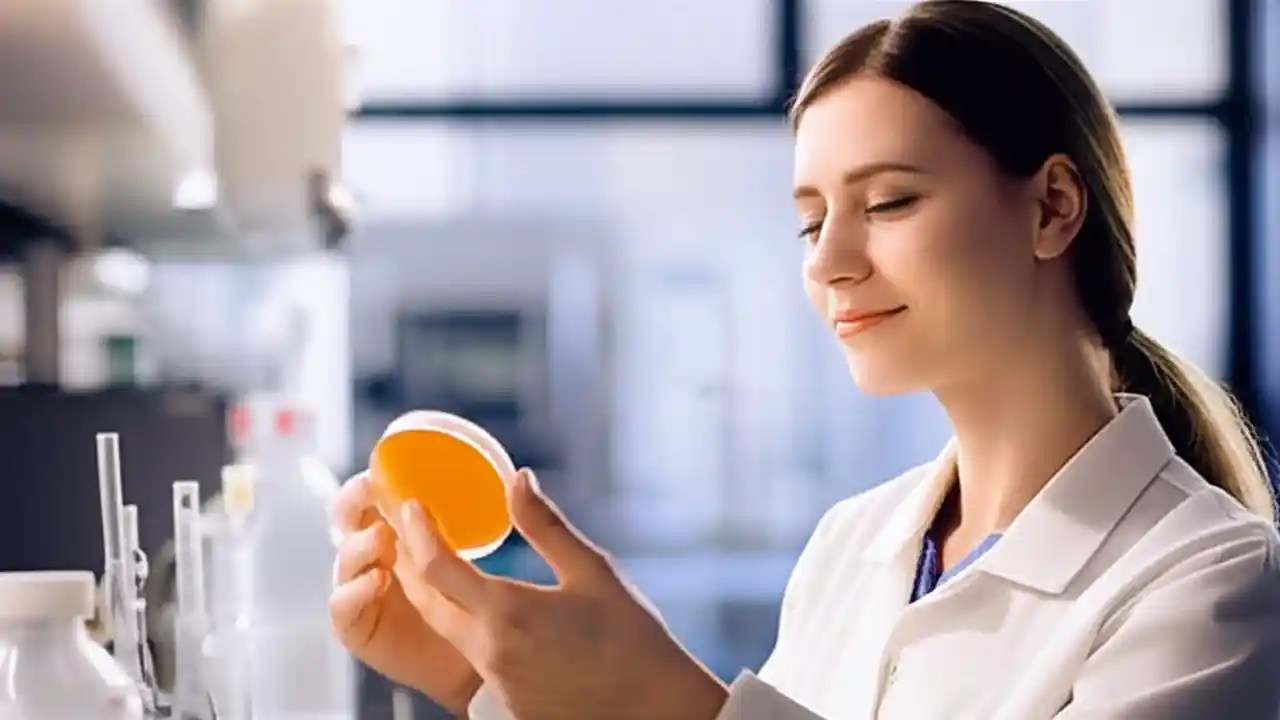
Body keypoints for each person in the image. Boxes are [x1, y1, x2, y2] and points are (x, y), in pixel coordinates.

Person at [328, 1, 1280, 718]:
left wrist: (676, 705)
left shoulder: (1210, 587)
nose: (827, 263)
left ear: (1051, 208)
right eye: (811, 220)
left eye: (890, 202)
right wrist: (480, 675)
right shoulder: (851, 546)